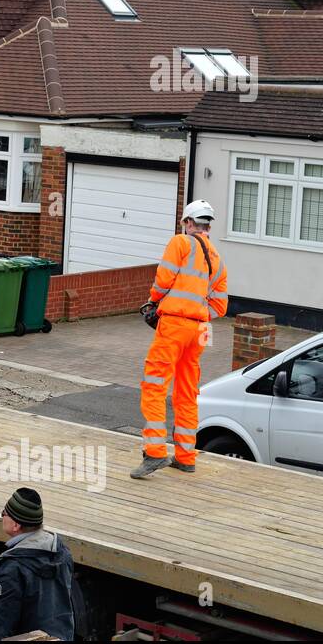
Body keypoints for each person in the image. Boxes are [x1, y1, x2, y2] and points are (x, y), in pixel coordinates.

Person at [131, 200, 229, 479]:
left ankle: (155, 453)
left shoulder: (180, 243)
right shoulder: (217, 259)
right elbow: (220, 306)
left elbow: (164, 279)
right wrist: (198, 314)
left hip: (174, 325)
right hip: (199, 331)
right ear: (208, 226)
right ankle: (186, 455)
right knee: (187, 391)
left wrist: (154, 302)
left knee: (154, 385)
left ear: (188, 223)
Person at [0, 487, 75, 641]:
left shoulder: (12, 570)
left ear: (16, 525)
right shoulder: (62, 552)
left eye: (4, 512)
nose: (2, 515)